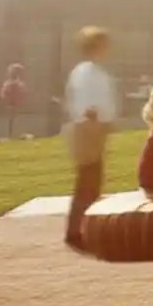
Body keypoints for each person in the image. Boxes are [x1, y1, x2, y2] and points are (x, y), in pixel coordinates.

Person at [63, 26, 118, 252]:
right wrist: (94, 123)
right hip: (89, 128)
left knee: (92, 180)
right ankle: (75, 231)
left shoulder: (93, 71)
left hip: (94, 127)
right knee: (87, 181)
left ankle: (83, 227)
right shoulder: (87, 72)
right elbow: (88, 103)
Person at [0, 63, 28, 138]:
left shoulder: (13, 83)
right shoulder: (11, 84)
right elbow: (5, 93)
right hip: (13, 103)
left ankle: (14, 133)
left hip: (15, 103)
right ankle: (12, 134)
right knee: (13, 118)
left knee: (15, 118)